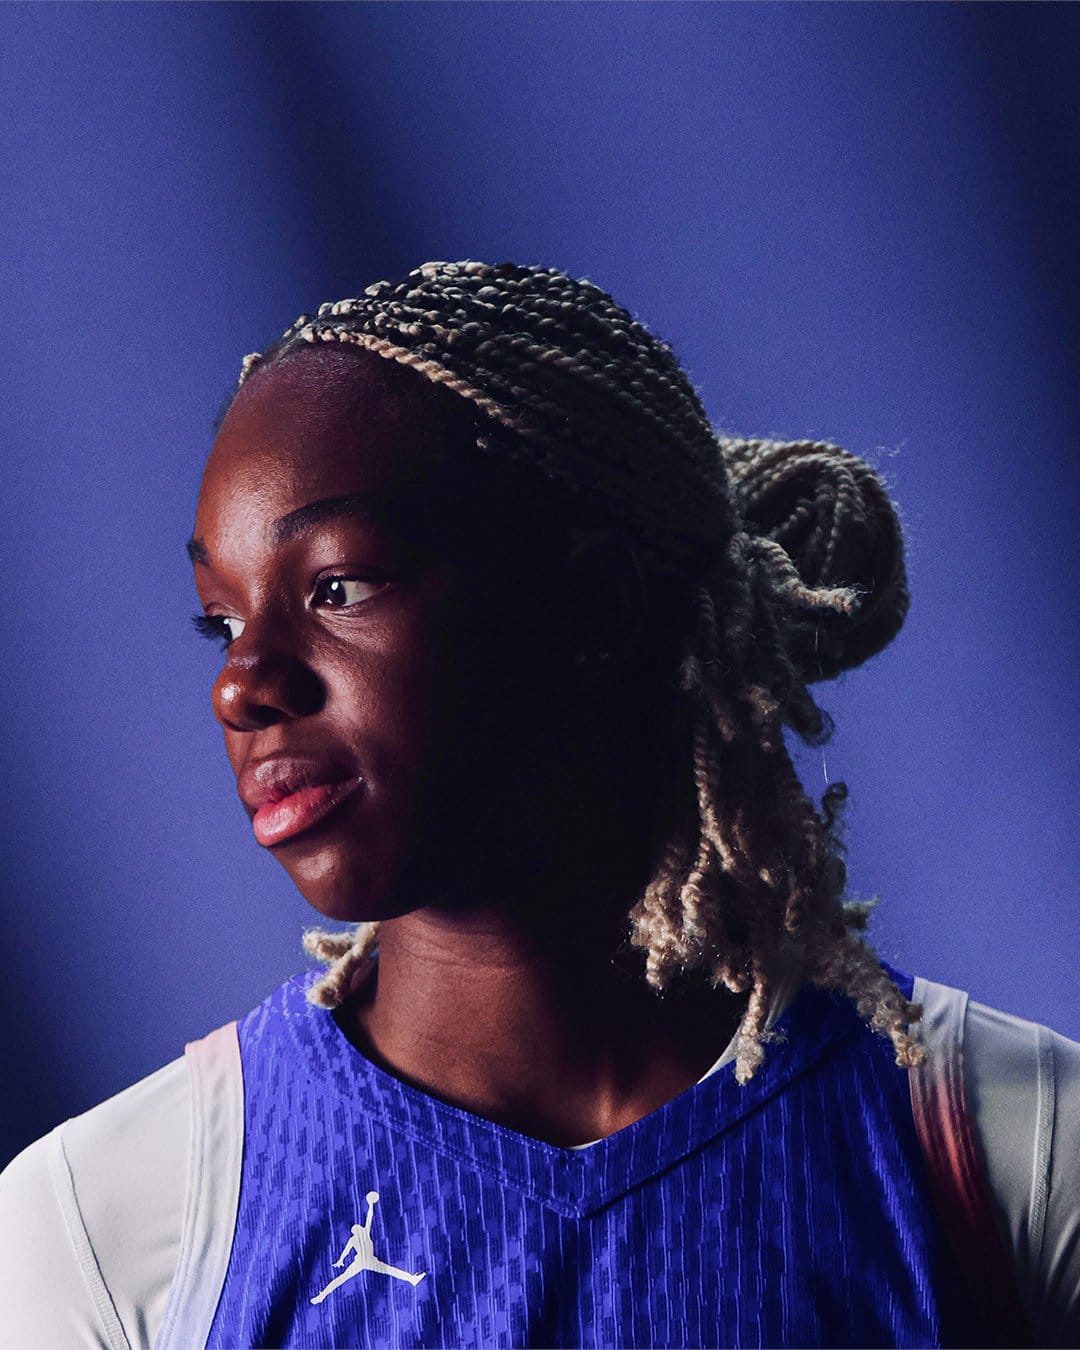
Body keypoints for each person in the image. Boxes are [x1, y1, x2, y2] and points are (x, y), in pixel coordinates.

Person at [0, 259, 1076, 1349]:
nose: (244, 683)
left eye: (338, 586)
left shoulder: (1005, 1157)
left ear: (596, 606)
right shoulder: (116, 1222)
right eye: (220, 622)